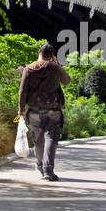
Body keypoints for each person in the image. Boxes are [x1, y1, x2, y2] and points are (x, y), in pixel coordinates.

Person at [18, 44, 71, 181]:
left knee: (38, 140)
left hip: (34, 111)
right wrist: (57, 64)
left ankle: (41, 166)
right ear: (52, 55)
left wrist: (21, 110)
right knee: (51, 138)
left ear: (39, 53)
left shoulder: (29, 68)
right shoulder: (55, 68)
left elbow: (22, 91)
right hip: (52, 110)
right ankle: (48, 169)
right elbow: (67, 81)